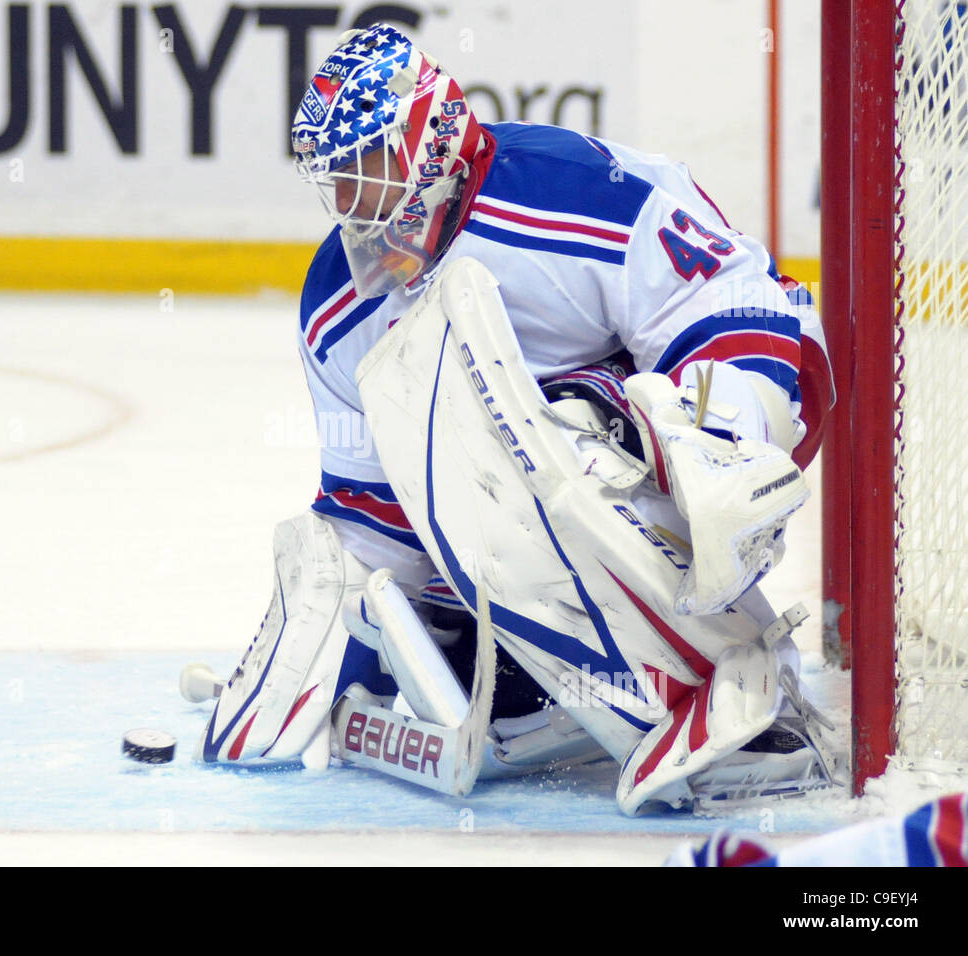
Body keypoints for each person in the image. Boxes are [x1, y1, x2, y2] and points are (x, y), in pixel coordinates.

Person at [193, 24, 836, 815]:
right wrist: (346, 645)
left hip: (755, 369)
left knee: (564, 435)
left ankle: (747, 692)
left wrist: (720, 436)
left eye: (369, 168)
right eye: (339, 181)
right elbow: (379, 515)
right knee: (483, 478)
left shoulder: (565, 195)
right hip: (563, 461)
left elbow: (733, 297)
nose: (356, 203)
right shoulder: (336, 308)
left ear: (428, 138)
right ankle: (559, 677)